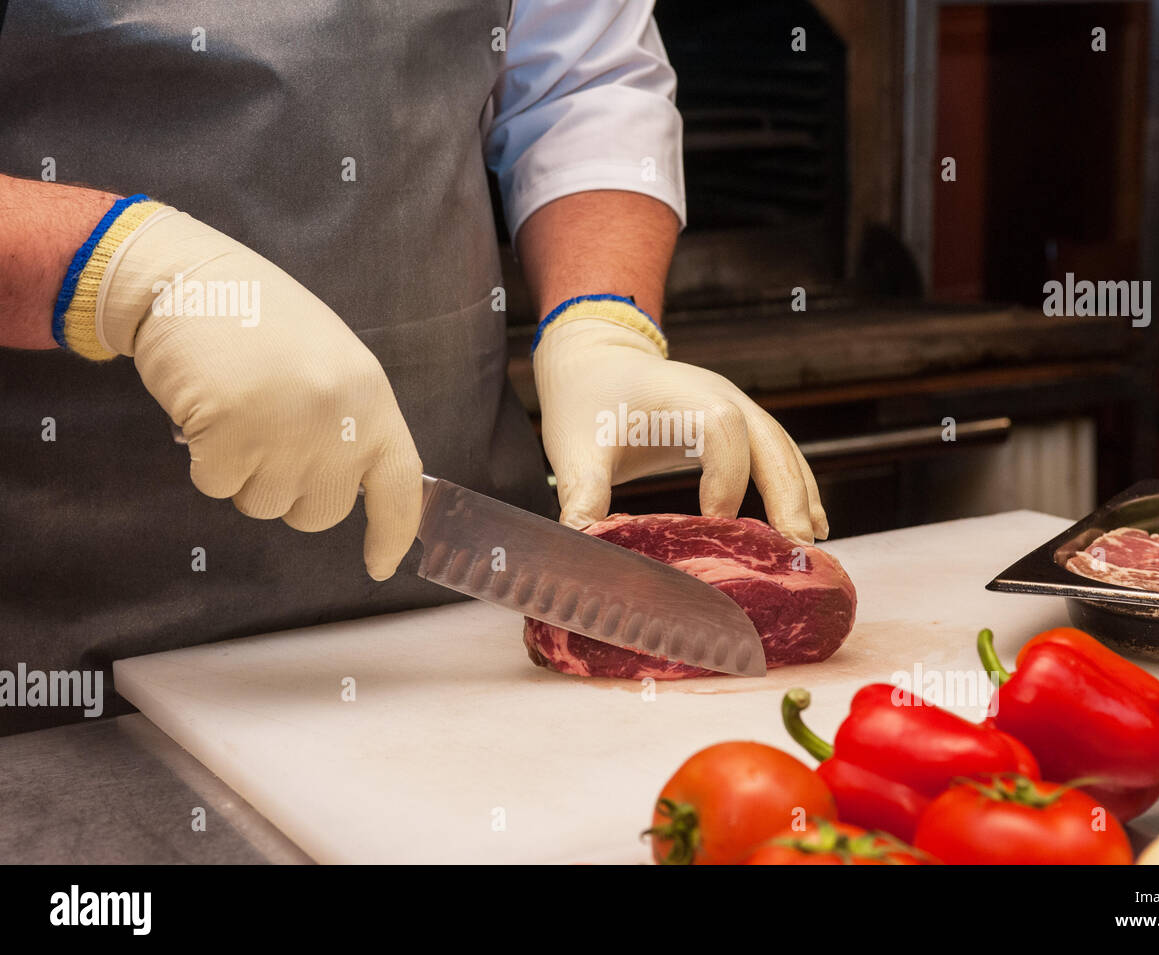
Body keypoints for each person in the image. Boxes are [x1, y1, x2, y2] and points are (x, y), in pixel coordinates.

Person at [0, 0, 826, 735]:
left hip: (450, 640)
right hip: (63, 638)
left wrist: (600, 323)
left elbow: (583, 86)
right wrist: (118, 274)